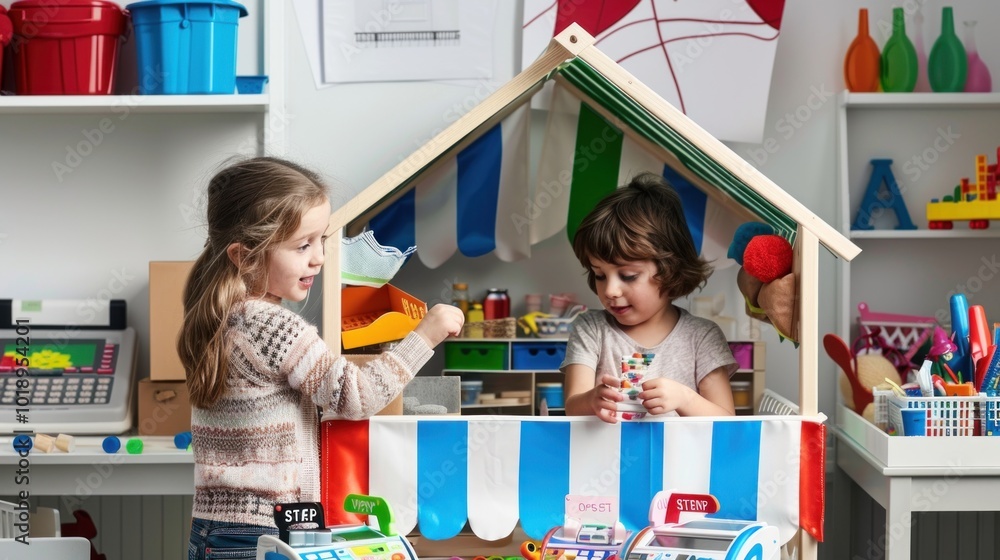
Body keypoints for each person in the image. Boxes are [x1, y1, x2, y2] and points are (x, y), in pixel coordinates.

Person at [178, 156, 464, 559]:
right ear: (244, 256)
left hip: (215, 529)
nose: (319, 258)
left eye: (322, 241)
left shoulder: (222, 316)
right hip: (265, 531)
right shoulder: (272, 325)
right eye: (302, 246)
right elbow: (355, 395)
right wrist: (425, 335)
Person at [561, 172, 737, 423]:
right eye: (599, 275)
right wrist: (591, 400)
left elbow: (726, 421)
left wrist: (685, 399)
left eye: (629, 275)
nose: (610, 290)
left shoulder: (702, 337)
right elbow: (572, 407)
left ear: (670, 270)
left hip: (678, 461)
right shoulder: (591, 329)